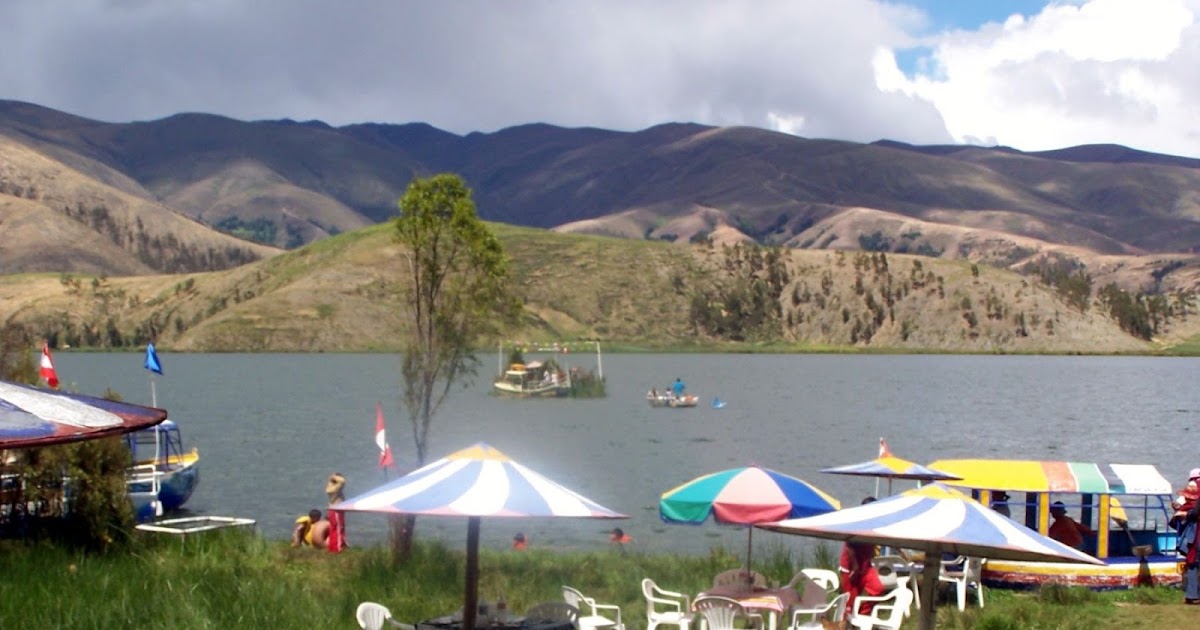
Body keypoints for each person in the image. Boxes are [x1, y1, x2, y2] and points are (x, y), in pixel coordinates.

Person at [839, 541, 886, 616]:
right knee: (850, 600)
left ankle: (861, 611)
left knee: (877, 587)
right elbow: (849, 544)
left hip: (865, 565)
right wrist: (854, 566)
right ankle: (846, 622)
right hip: (851, 566)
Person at [326, 473, 347, 552]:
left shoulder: (330, 488)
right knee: (338, 528)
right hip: (336, 510)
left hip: (333, 509)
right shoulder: (335, 489)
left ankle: (333, 547)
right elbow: (342, 481)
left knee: (334, 528)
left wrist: (332, 478)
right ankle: (337, 548)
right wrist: (334, 476)